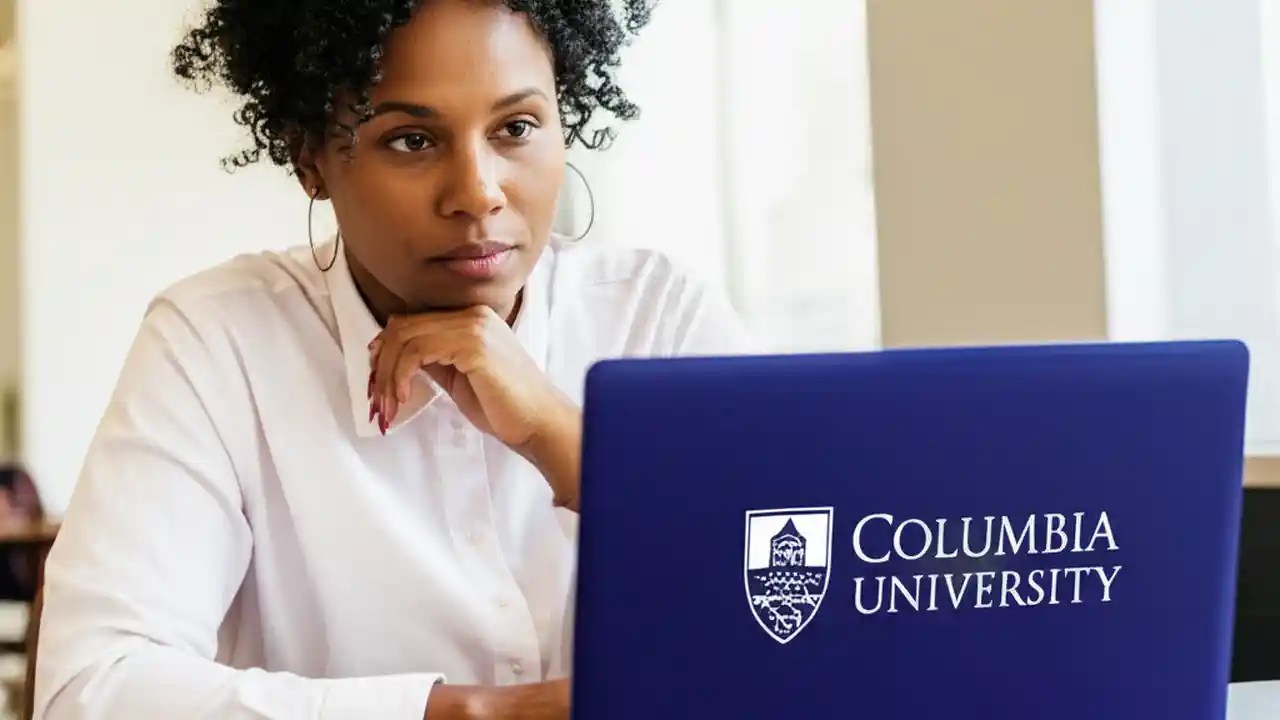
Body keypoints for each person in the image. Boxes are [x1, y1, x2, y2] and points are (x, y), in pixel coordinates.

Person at [31, 1, 750, 718]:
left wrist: (563, 442)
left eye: (517, 128)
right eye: (411, 140)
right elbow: (93, 688)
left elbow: (798, 616)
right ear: (308, 156)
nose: (478, 192)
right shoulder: (218, 341)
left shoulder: (658, 317)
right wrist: (481, 713)